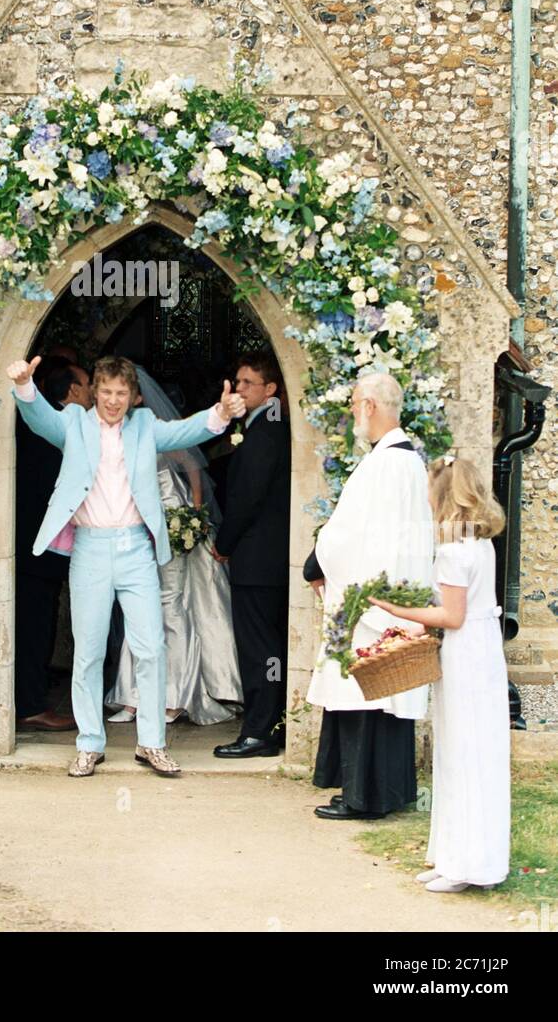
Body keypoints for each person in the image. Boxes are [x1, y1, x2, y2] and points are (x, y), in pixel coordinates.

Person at [7, 353, 246, 778]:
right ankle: (89, 744)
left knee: (151, 647)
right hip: (90, 549)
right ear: (95, 392)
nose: (113, 400)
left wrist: (220, 413)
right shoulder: (75, 424)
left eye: (121, 393)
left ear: (133, 397)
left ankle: (151, 743)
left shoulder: (144, 427)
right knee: (89, 651)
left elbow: (184, 430)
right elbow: (39, 419)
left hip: (136, 547)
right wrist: (25, 385)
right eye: (106, 392)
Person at [368, 457, 509, 891]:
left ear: (442, 495)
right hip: (481, 648)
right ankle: (456, 856)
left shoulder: (452, 550)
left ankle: (467, 864)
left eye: (430, 488)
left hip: (467, 655)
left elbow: (451, 615)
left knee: (463, 751)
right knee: (469, 751)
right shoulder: (479, 542)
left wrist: (395, 608)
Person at [305, 371, 434, 819]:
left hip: (368, 602)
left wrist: (318, 558)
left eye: (356, 403)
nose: (353, 412)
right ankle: (384, 792)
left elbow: (349, 536)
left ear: (370, 407)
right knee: (382, 698)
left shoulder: (384, 465)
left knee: (365, 694)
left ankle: (362, 797)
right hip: (387, 594)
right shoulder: (407, 461)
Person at [106, 364, 243, 726]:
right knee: (136, 611)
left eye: (126, 391)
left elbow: (191, 463)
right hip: (136, 531)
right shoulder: (113, 433)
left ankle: (174, 696)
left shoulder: (155, 427)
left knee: (171, 610)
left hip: (172, 527)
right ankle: (132, 696)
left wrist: (194, 513)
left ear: (137, 395)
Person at [212, 351, 292, 758]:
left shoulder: (266, 433)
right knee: (269, 645)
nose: (239, 389)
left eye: (247, 383)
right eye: (237, 381)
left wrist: (224, 544)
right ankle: (271, 725)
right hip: (268, 561)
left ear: (270, 390)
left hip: (258, 560)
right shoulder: (265, 426)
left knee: (260, 648)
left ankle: (259, 730)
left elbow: (247, 497)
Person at [15, 356, 90, 732]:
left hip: (38, 550)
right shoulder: (56, 431)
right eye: (89, 385)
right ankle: (29, 705)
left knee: (39, 623)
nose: (93, 393)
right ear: (74, 391)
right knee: (35, 625)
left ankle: (33, 697)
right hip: (37, 550)